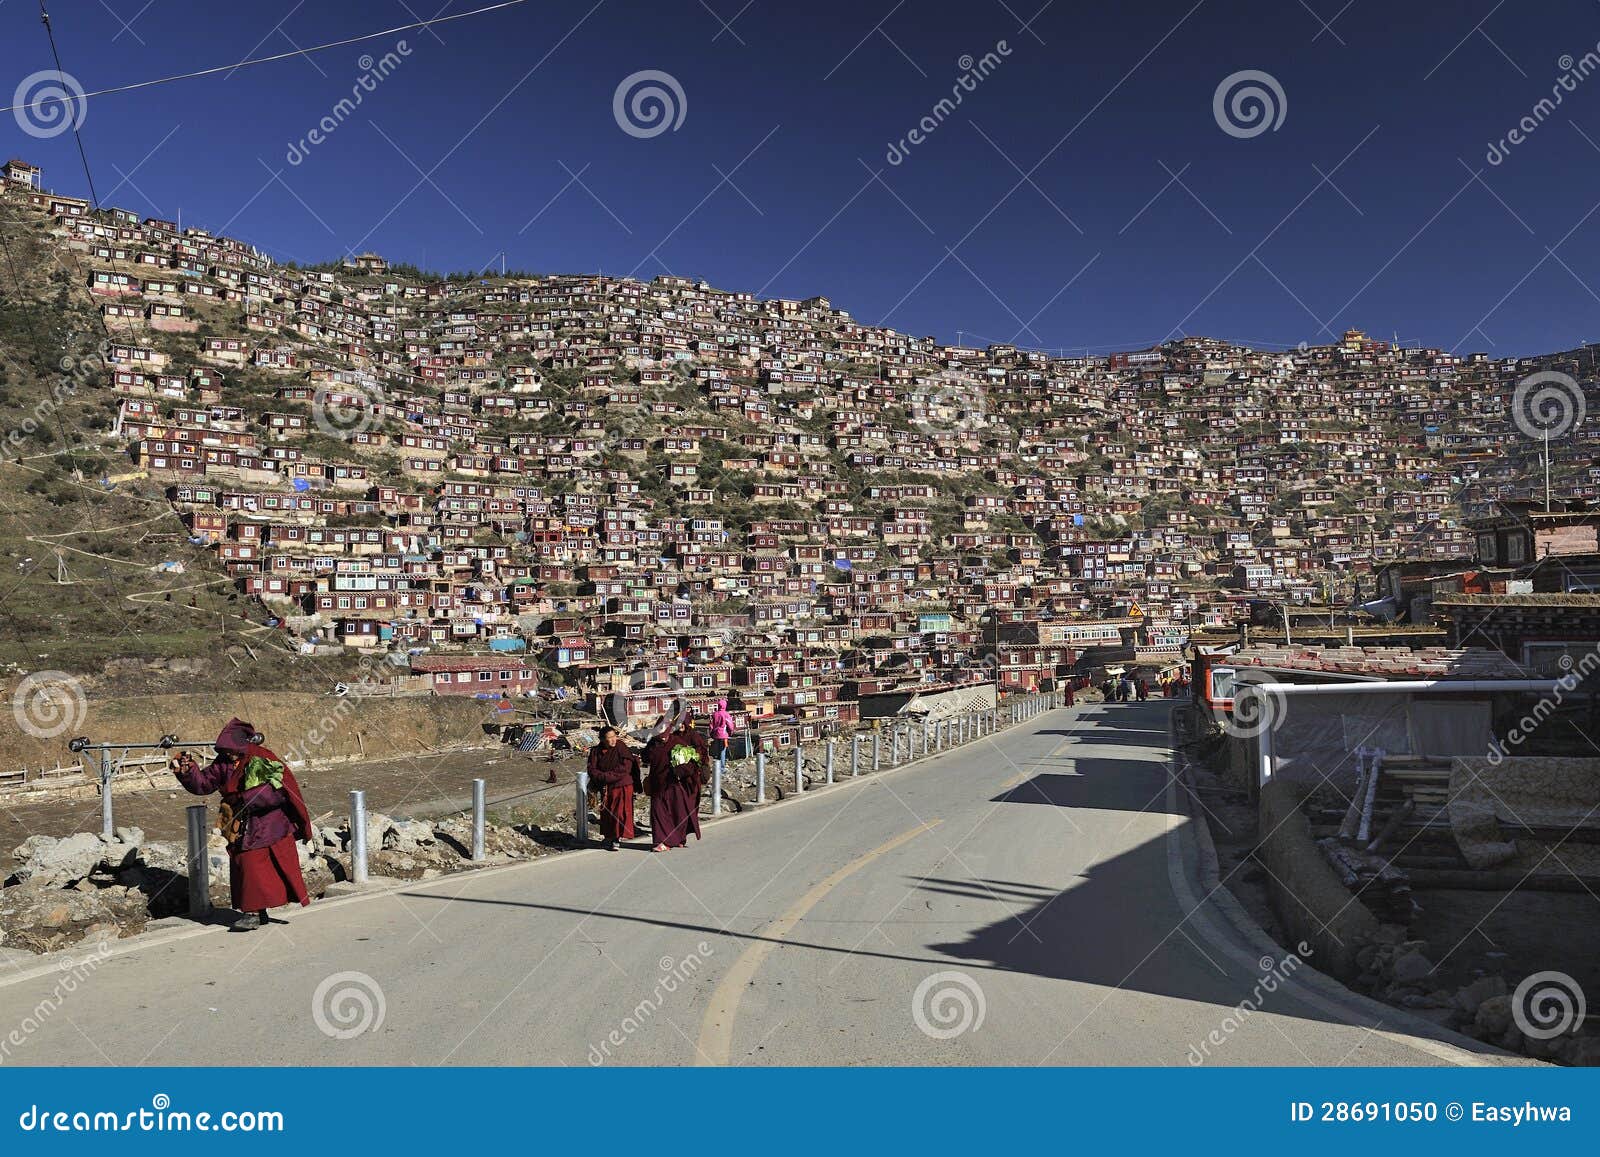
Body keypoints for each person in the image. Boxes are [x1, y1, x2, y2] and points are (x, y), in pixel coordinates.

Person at [172, 718, 312, 931]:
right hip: (239, 822)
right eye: (225, 750)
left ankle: (252, 913)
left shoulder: (263, 758)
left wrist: (243, 798)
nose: (228, 754)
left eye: (231, 750)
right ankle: (258, 911)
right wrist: (188, 771)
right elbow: (205, 784)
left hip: (266, 823)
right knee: (244, 865)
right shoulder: (224, 761)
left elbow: (276, 791)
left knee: (252, 864)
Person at [644, 715, 709, 852]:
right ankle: (661, 841)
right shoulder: (652, 744)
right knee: (658, 813)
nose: (663, 736)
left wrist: (680, 770)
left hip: (674, 783)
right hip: (657, 784)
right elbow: (646, 757)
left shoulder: (677, 743)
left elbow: (692, 763)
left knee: (678, 813)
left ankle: (678, 838)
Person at [586, 726, 641, 850]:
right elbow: (591, 768)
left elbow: (626, 767)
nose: (613, 740)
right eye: (609, 738)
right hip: (606, 786)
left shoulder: (621, 747)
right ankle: (609, 836)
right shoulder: (596, 751)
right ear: (602, 740)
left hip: (621, 785)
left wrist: (607, 776)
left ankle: (616, 838)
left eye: (614, 736)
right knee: (607, 813)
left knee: (619, 813)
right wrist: (601, 777)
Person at [709, 698, 734, 782]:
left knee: (717, 751)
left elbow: (711, 725)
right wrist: (731, 732)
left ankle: (717, 766)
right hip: (723, 735)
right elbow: (730, 725)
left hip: (716, 735)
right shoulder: (726, 714)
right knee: (723, 751)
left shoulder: (714, 714)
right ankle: (722, 768)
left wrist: (711, 734)